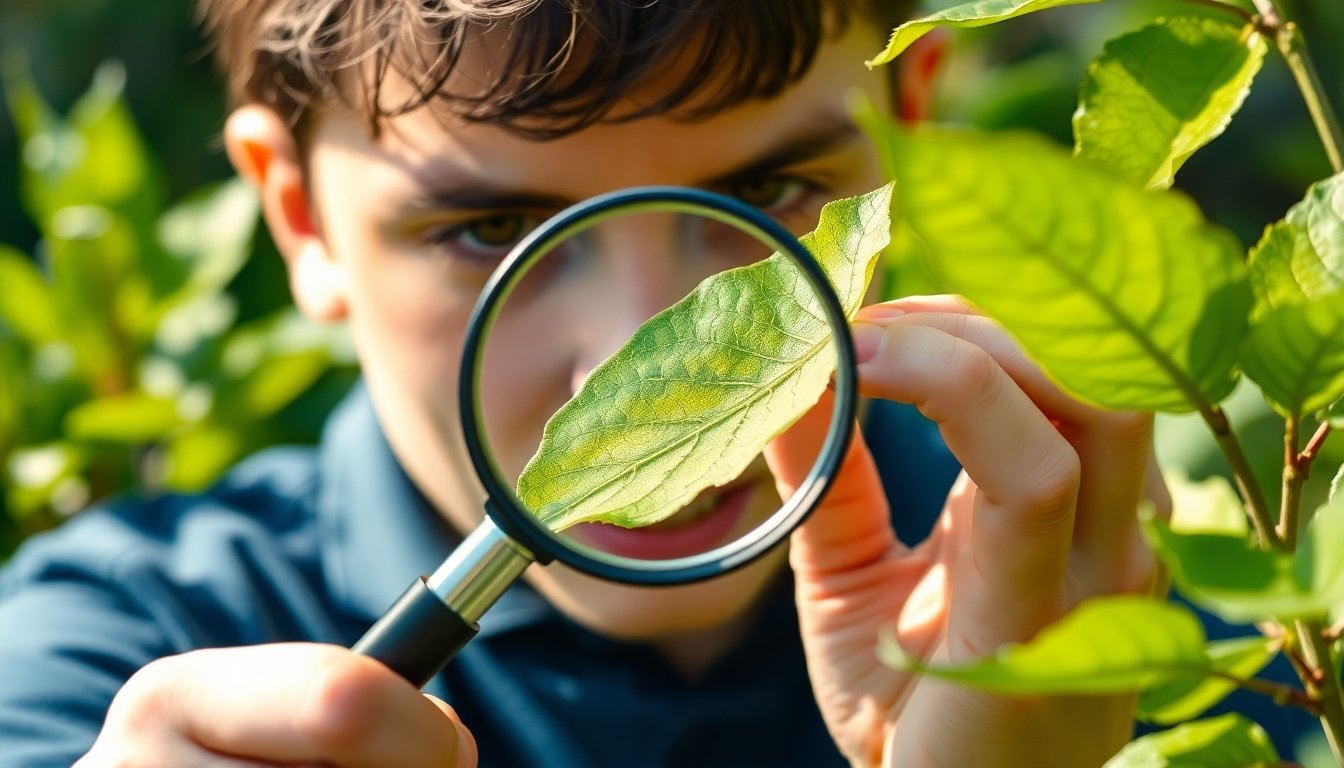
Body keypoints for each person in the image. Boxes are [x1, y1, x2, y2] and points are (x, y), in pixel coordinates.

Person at [0, 1, 1175, 765]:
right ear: (299, 218)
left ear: (910, 120)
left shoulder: (1135, 641)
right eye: (494, 227)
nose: (637, 362)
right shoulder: (99, 658)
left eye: (764, 199)